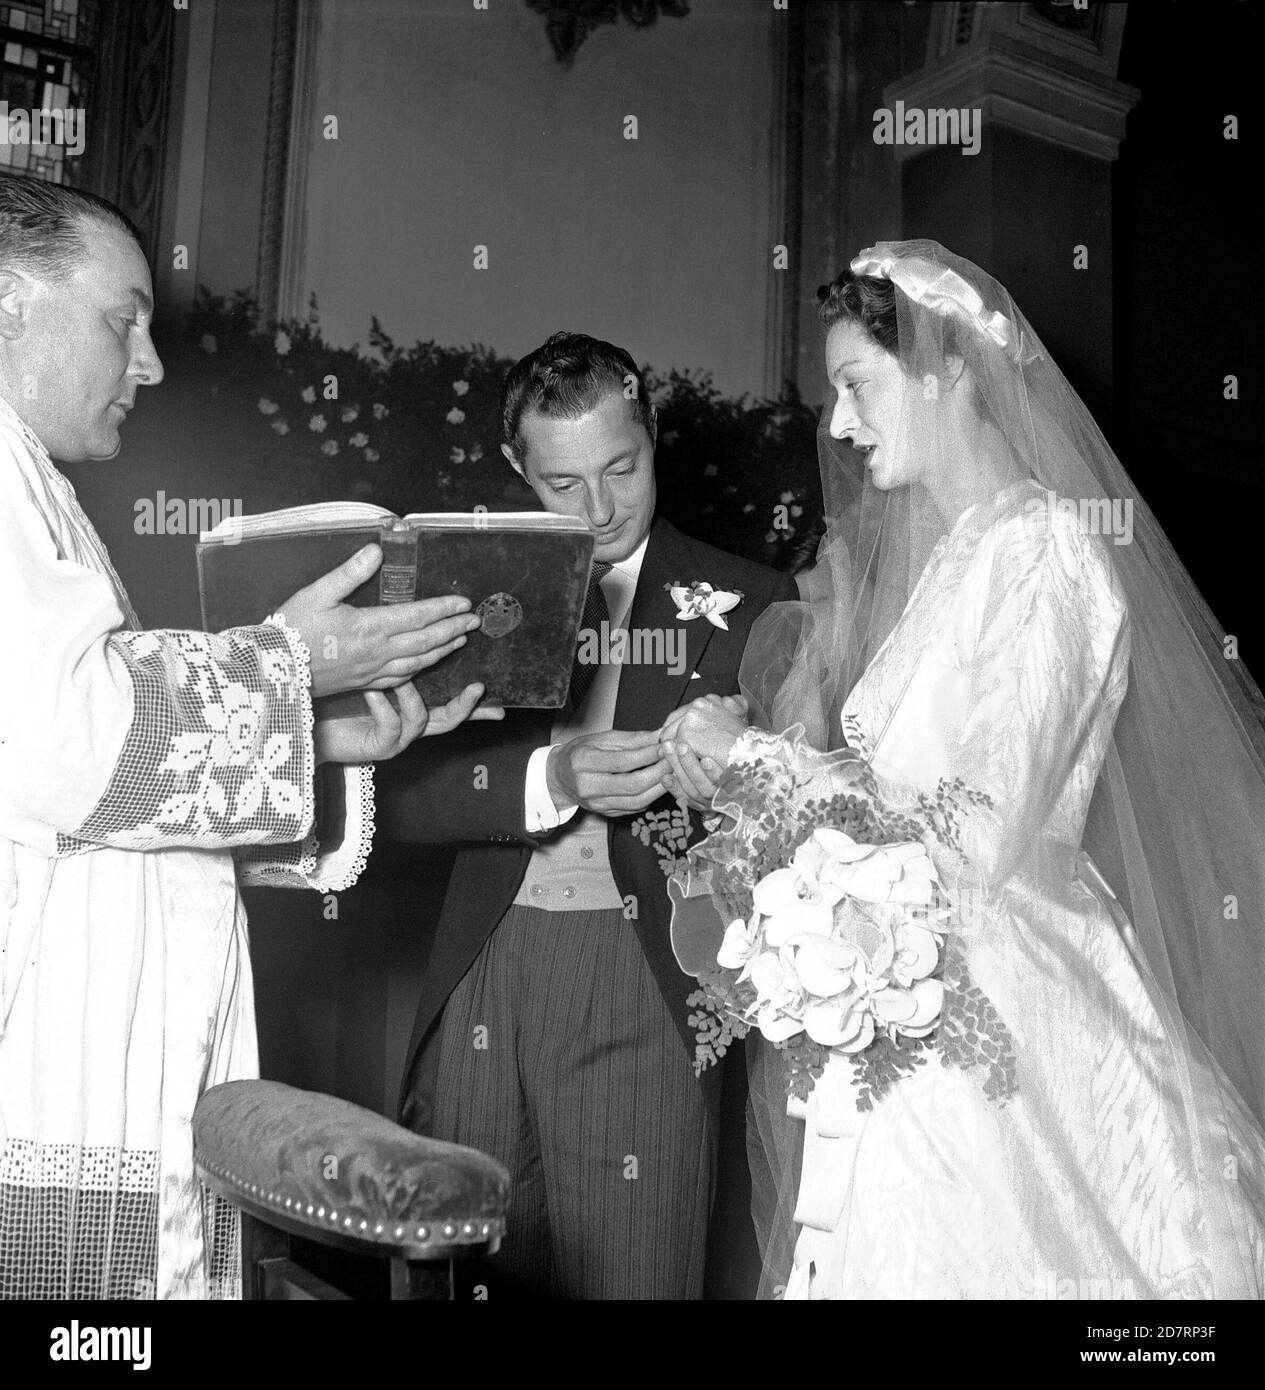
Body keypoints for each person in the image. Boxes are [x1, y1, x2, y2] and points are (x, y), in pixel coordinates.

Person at [658, 241, 1265, 1298]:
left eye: (855, 384)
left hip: (1002, 994)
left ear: (941, 366)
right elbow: (898, 791)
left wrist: (756, 759)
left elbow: (974, 827)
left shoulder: (1048, 546)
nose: (839, 425)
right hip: (913, 981)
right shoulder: (960, 555)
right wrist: (753, 777)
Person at [0, 173, 500, 1299]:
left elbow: (78, 771)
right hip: (53, 1052)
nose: (152, 364)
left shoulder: (31, 482)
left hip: (102, 1031)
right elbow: (55, 746)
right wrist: (290, 666)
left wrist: (309, 733)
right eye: (122, 319)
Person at [376, 332, 797, 1298]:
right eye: (562, 484)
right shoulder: (458, 594)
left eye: (622, 467)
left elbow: (798, 820)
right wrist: (551, 776)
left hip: (644, 975)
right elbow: (395, 799)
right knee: (463, 1267)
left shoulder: (757, 601)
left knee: (634, 1270)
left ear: (654, 440)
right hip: (483, 962)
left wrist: (736, 772)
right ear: (515, 468)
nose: (599, 509)